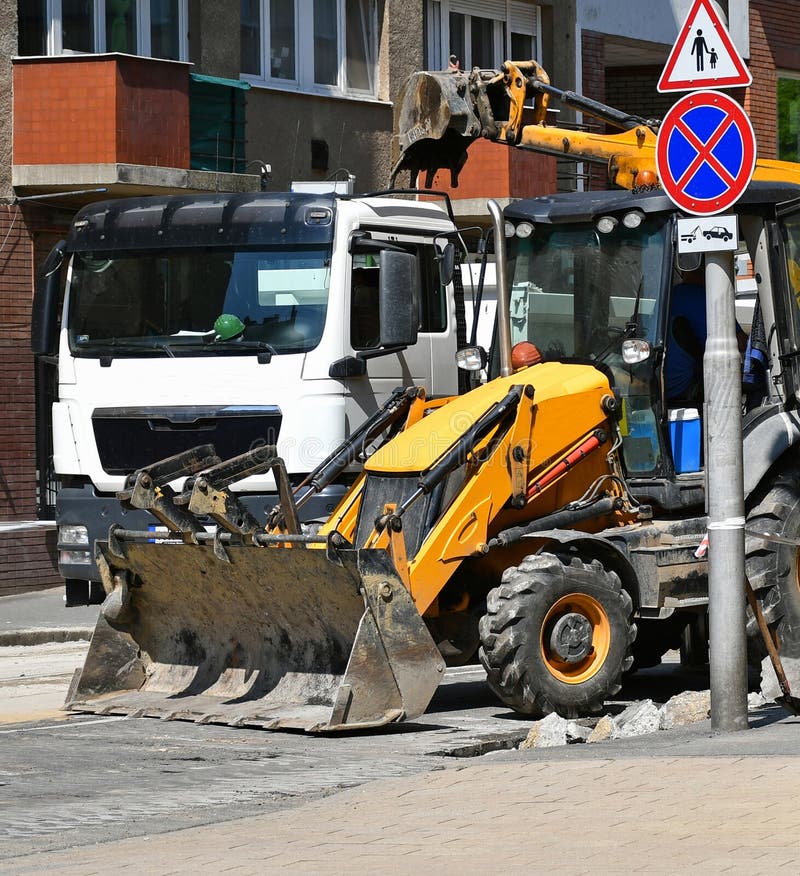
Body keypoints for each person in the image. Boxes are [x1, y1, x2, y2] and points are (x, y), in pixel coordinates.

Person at [665, 262, 747, 403]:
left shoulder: (668, 296)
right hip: (688, 387)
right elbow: (741, 344)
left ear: (684, 273)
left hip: (664, 386)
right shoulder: (708, 299)